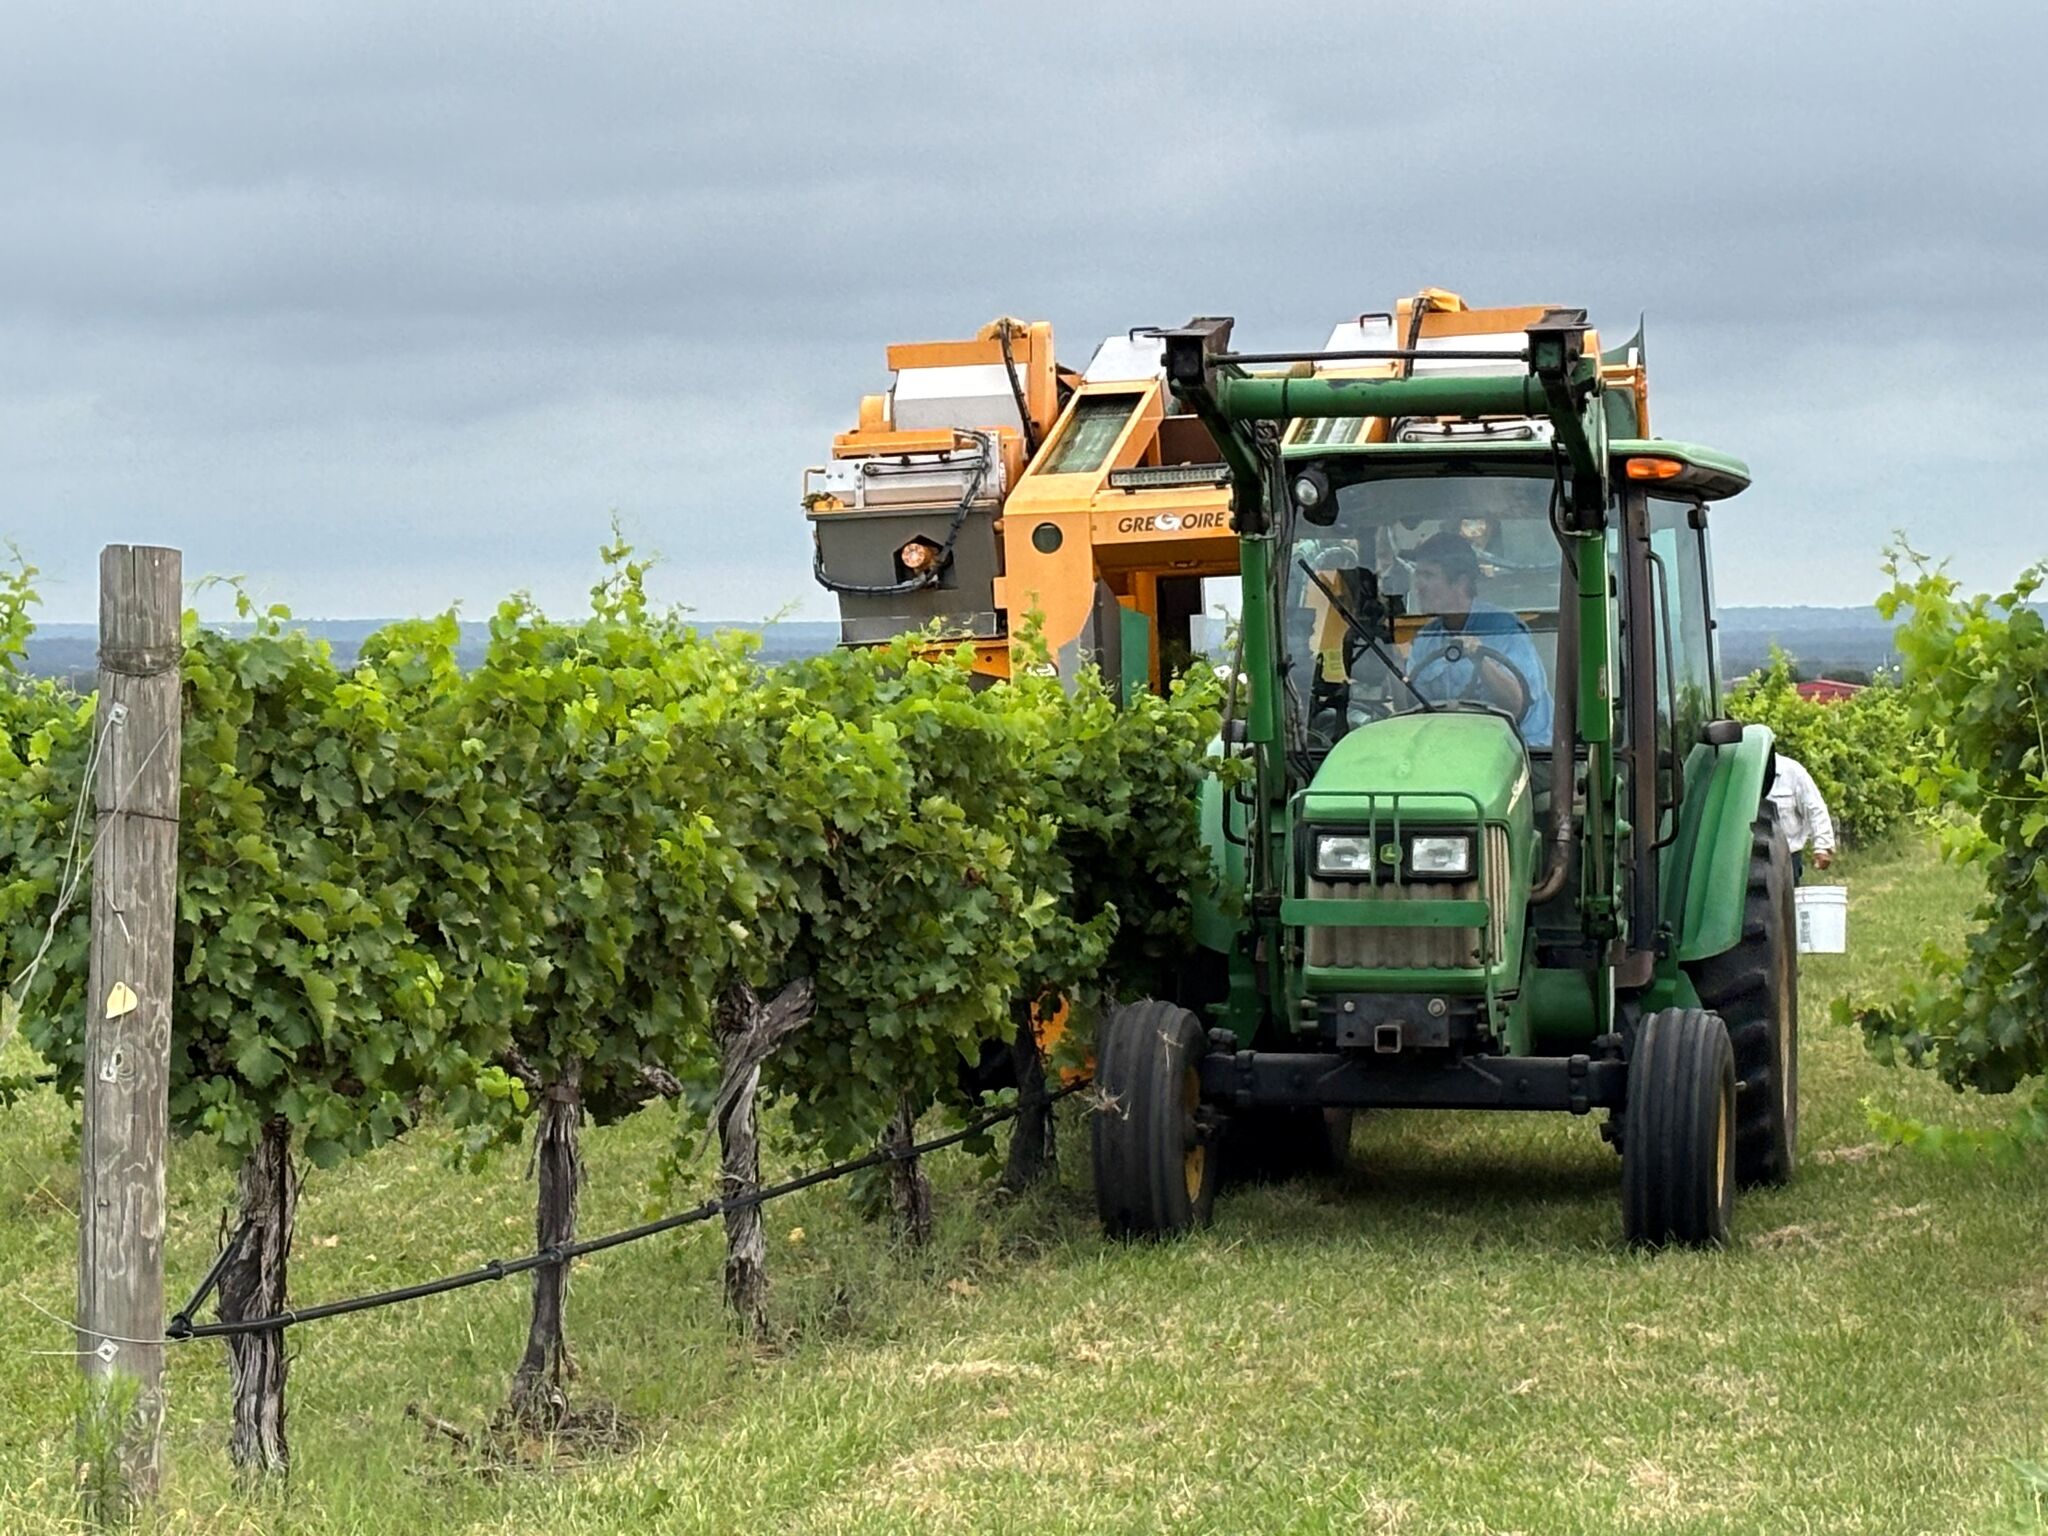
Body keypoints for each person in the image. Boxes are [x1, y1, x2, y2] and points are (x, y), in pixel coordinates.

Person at [1402, 529, 1554, 747]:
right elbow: (1413, 708)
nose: (1418, 586)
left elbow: (1516, 705)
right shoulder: (1426, 639)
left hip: (1524, 751)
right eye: (1418, 575)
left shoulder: (1505, 629)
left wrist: (1481, 660)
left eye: (1428, 575)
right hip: (1455, 749)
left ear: (1461, 583)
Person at [1767, 753, 1836, 882]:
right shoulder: (1735, 772)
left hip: (1787, 859)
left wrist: (1822, 847)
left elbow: (1815, 809)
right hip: (1744, 861)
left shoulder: (1792, 772)